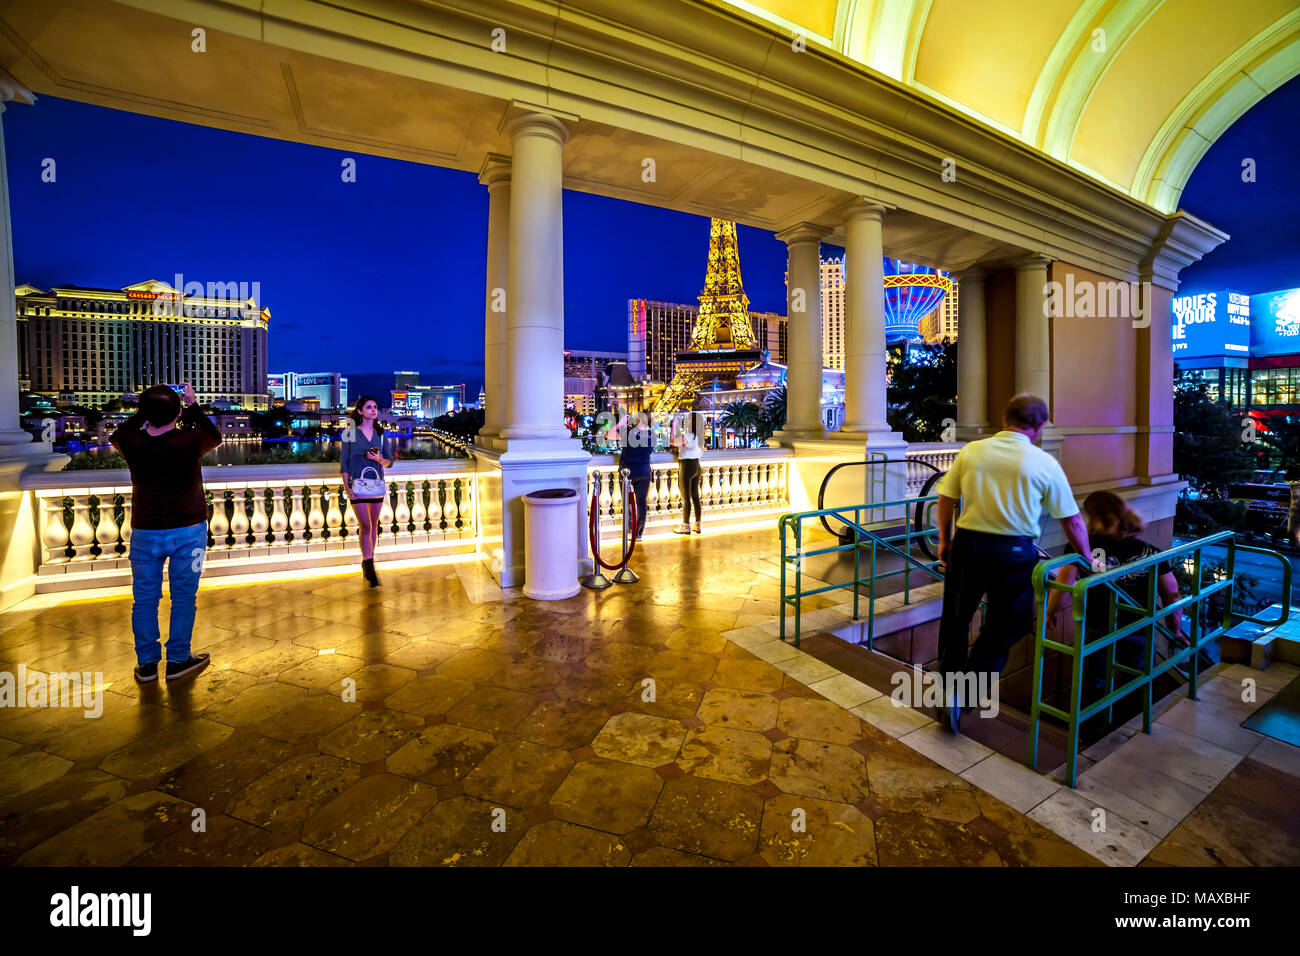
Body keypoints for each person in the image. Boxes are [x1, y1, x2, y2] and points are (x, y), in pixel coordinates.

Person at [933, 393, 1098, 733]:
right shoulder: (1044, 463)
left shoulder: (972, 451)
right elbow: (1073, 522)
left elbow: (946, 497)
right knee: (1009, 624)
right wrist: (1087, 558)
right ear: (1038, 427)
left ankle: (947, 690)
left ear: (1004, 419)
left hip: (968, 546)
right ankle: (965, 695)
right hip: (1013, 554)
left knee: (955, 618)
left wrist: (946, 541)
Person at [110, 383, 222, 684]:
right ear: (179, 412)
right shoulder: (190, 439)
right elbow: (216, 436)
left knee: (144, 599)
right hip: (190, 531)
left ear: (144, 413)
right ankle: (177, 659)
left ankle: (147, 665)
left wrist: (141, 413)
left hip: (146, 532)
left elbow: (116, 435)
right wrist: (192, 405)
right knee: (184, 596)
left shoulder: (132, 442)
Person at [1046, 489, 1185, 667]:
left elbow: (1063, 586)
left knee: (1094, 680)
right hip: (1139, 626)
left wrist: (1050, 612)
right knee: (1137, 680)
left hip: (1098, 625)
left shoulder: (1081, 550)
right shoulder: (1152, 552)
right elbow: (1171, 595)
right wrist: (1176, 630)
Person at [340, 396, 394, 587]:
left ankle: (368, 560)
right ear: (360, 411)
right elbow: (344, 464)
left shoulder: (380, 435)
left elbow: (389, 462)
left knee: (373, 524)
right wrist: (347, 487)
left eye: (375, 407)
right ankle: (369, 565)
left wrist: (379, 459)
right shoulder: (350, 433)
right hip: (358, 486)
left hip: (376, 486)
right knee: (365, 525)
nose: (373, 410)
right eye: (369, 407)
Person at [618, 411, 654, 541]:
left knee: (628, 503)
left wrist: (621, 422)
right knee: (641, 503)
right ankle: (638, 534)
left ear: (638, 421)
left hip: (628, 473)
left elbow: (608, 435)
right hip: (644, 472)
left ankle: (629, 531)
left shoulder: (628, 434)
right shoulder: (652, 436)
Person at [672, 412, 704, 535]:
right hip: (697, 466)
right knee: (695, 497)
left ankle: (686, 525)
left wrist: (673, 427)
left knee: (685, 497)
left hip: (686, 466)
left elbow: (672, 441)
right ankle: (698, 524)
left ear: (693, 422)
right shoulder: (698, 437)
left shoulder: (690, 436)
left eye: (688, 419)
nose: (686, 421)